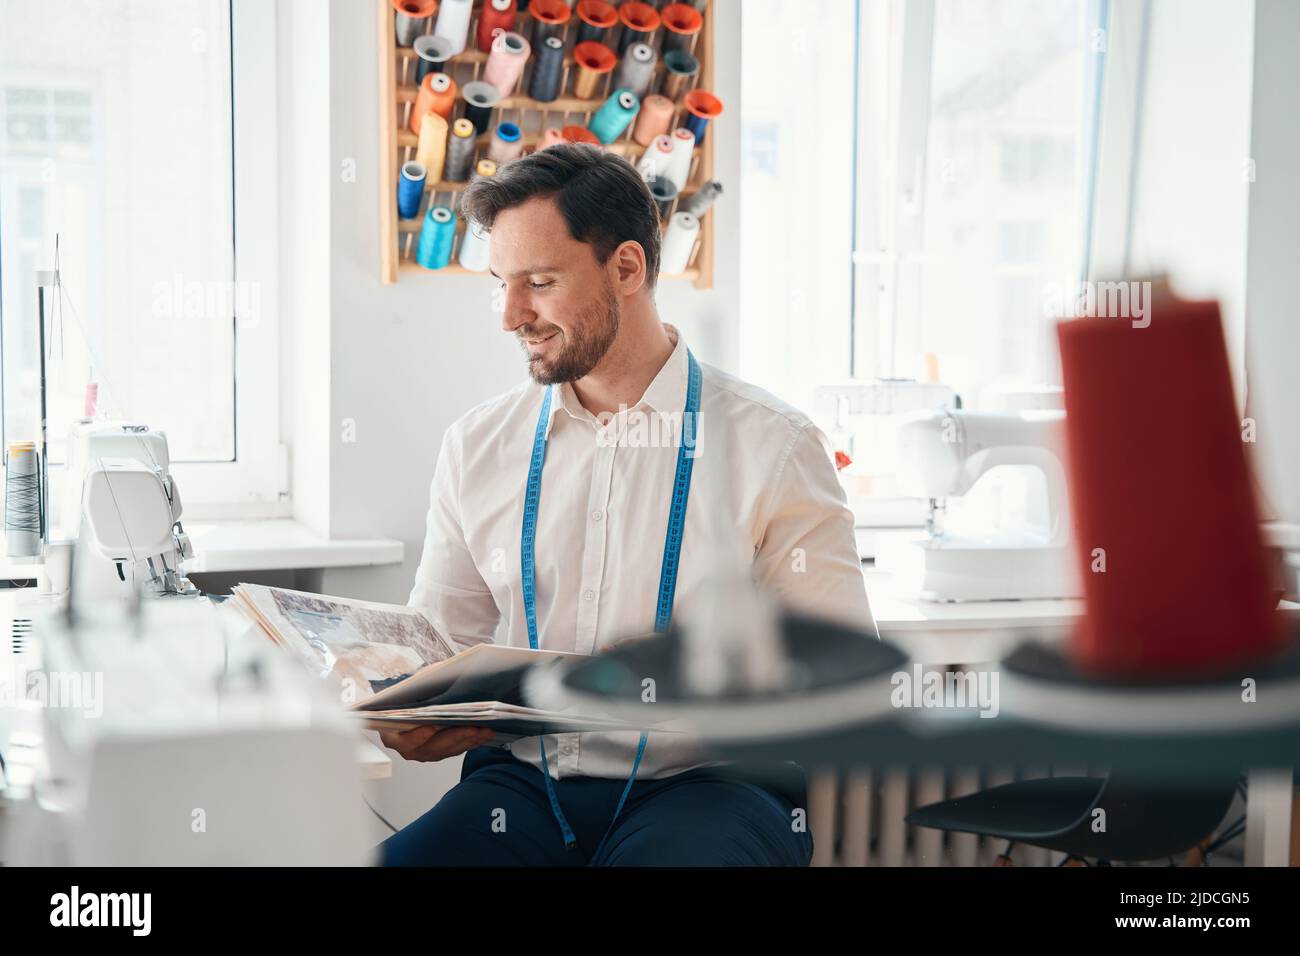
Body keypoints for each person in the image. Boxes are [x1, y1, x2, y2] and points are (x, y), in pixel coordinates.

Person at [380, 144, 874, 866]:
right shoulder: (477, 446)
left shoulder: (776, 446)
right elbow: (442, 642)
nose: (511, 316)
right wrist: (410, 710)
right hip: (525, 786)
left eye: (539, 283)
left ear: (628, 268)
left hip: (709, 789)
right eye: (501, 286)